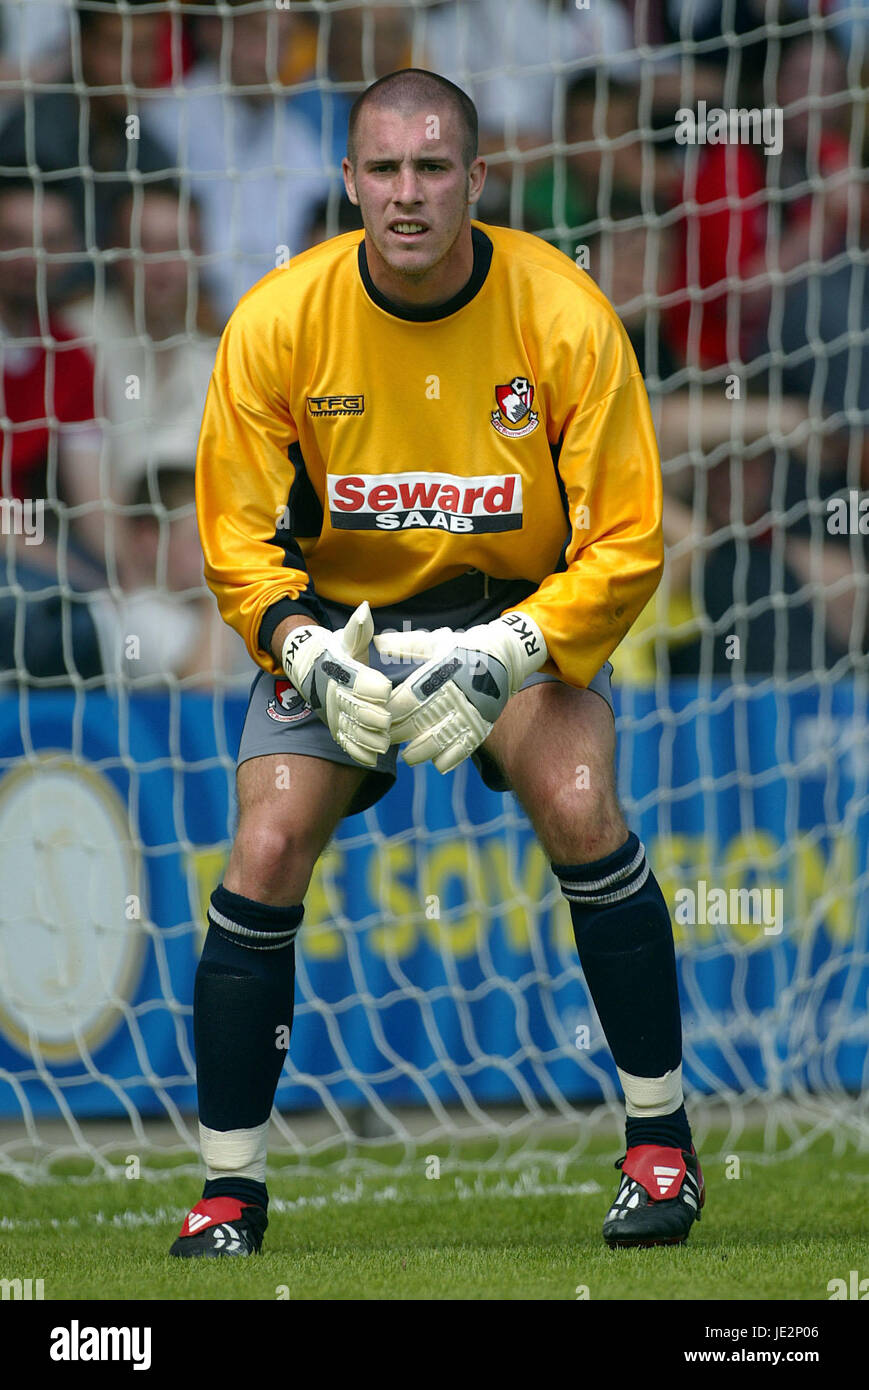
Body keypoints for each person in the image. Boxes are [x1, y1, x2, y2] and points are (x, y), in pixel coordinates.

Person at [173, 68, 704, 1258]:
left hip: (516, 616)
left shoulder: (561, 313)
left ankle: (660, 1149)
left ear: (475, 179)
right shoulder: (276, 323)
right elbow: (235, 542)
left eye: (430, 169)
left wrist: (513, 647)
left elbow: (626, 542)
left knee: (578, 802)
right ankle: (226, 1196)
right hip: (336, 629)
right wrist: (302, 651)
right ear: (348, 179)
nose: (405, 195)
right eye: (382, 170)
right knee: (262, 844)